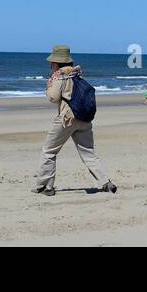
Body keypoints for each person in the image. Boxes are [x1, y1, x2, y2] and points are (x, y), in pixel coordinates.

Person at [32, 45, 117, 196]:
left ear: (56, 63)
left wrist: (49, 86)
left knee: (49, 152)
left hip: (67, 119)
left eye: (52, 62)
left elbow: (54, 98)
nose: (51, 65)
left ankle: (45, 187)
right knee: (88, 153)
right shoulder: (77, 73)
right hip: (84, 118)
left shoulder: (59, 76)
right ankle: (106, 182)